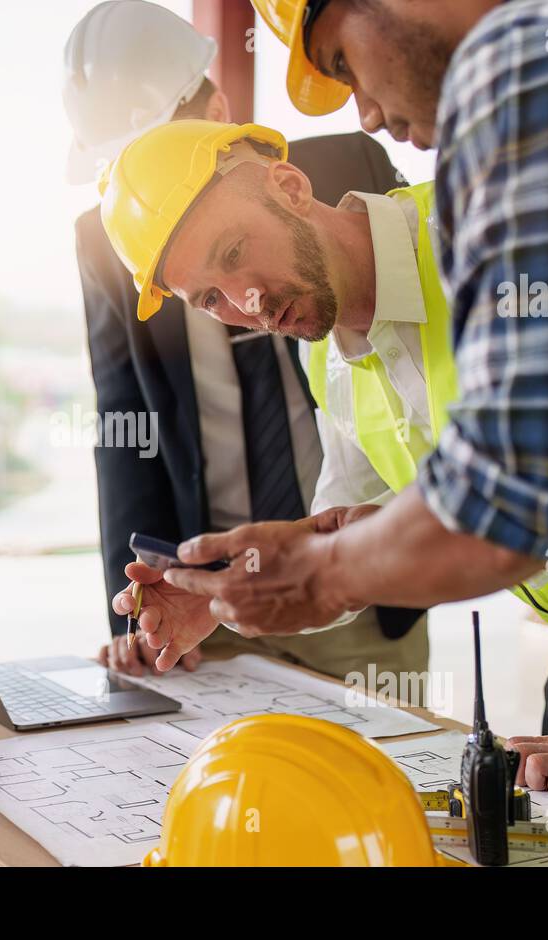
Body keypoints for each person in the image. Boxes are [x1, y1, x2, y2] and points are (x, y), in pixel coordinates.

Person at [147, 0, 548, 865]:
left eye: (345, 61)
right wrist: (241, 580)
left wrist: (318, 572)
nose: (363, 112)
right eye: (210, 298)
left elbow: (534, 475)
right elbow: (390, 515)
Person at [98, 119, 548, 730]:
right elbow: (345, 532)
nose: (249, 305)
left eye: (234, 253)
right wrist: (230, 591)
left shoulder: (483, 244)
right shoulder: (321, 355)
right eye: (212, 298)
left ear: (289, 186)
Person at [63, 1, 423, 681]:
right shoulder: (109, 247)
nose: (249, 306)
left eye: (164, 150)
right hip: (215, 583)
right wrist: (141, 613)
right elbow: (124, 429)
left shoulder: (349, 167)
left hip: (366, 581)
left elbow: (412, 386)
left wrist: (341, 560)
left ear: (219, 113)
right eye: (206, 297)